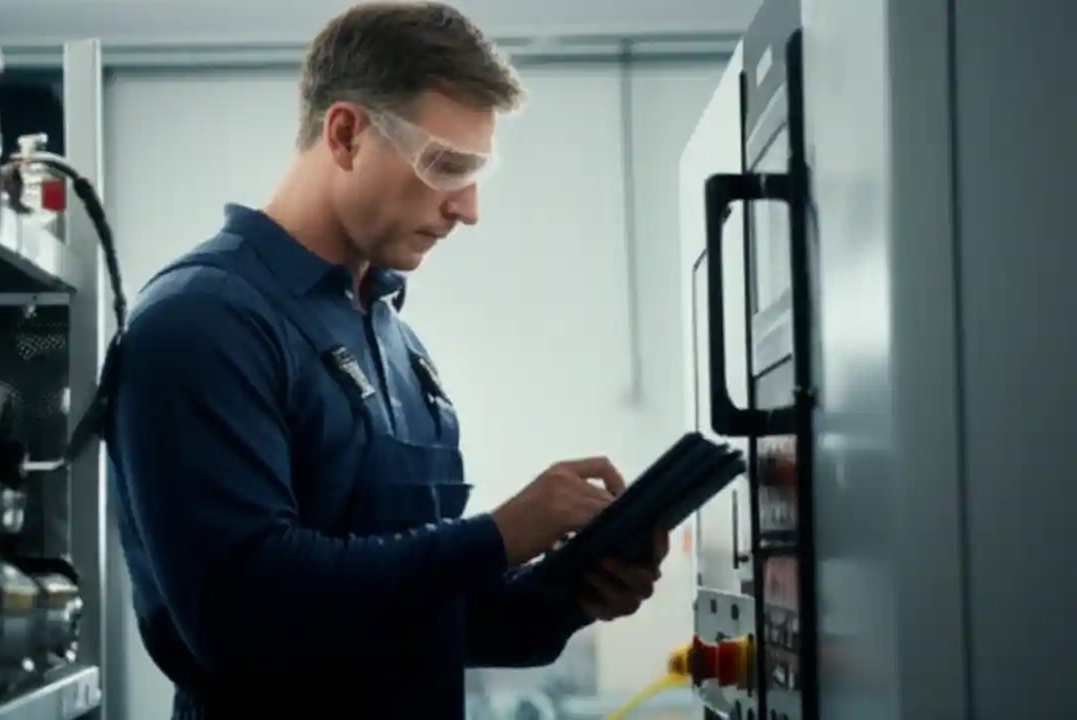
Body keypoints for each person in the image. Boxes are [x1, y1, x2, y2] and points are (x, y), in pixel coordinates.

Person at [106, 2, 670, 717]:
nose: (468, 209)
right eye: (445, 166)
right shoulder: (203, 321)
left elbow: (421, 618)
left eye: (477, 175)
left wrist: (566, 593)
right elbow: (242, 615)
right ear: (345, 134)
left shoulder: (399, 346)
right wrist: (495, 536)